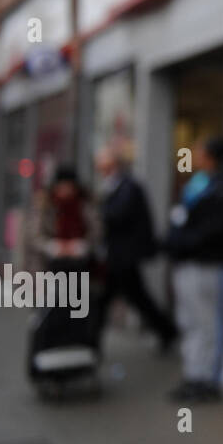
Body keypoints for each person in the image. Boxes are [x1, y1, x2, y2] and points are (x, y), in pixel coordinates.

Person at [164, 134, 223, 402]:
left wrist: (184, 241)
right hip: (191, 263)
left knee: (210, 324)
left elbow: (218, 227)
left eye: (202, 152)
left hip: (214, 265)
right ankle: (193, 375)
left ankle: (209, 380)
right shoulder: (204, 183)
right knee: (192, 323)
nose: (197, 157)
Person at [93, 145, 178, 352]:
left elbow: (118, 216)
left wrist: (100, 211)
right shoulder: (115, 187)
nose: (101, 170)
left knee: (126, 297)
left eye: (105, 166)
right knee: (131, 297)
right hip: (118, 255)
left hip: (123, 256)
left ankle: (166, 331)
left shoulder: (128, 187)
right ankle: (166, 331)